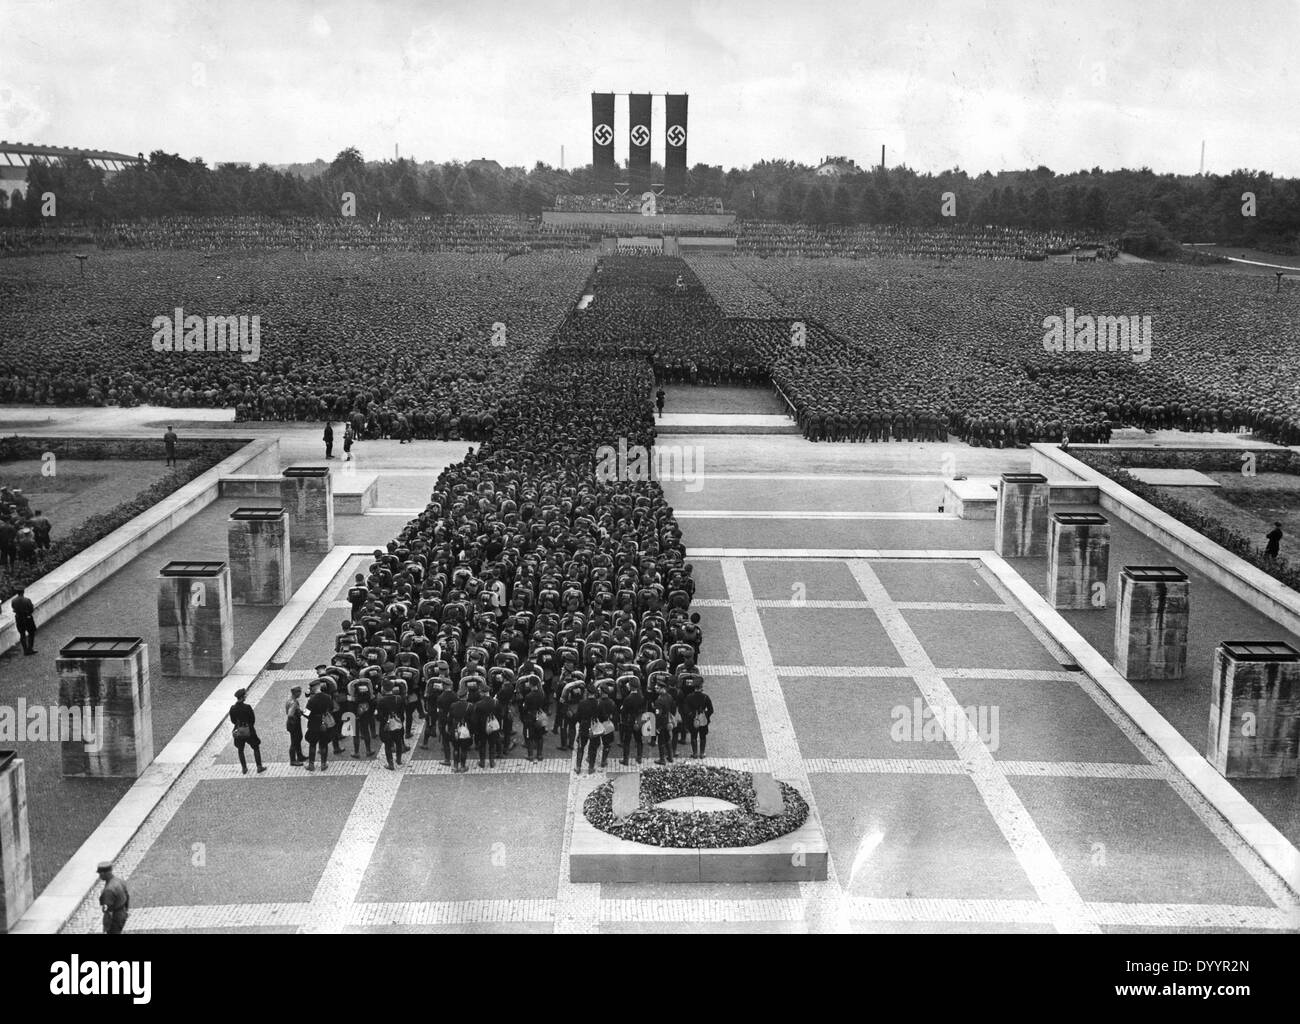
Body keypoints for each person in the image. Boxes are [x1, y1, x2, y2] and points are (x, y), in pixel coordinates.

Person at [228, 688, 266, 774]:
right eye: (245, 695)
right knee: (256, 747)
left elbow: (233, 721)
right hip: (249, 731)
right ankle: (259, 766)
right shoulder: (247, 707)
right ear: (243, 697)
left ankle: (244, 768)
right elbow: (252, 720)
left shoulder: (233, 708)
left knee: (240, 750)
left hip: (238, 731)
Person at [304, 679, 334, 772]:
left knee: (312, 745)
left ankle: (311, 764)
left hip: (313, 724)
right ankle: (323, 764)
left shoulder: (311, 700)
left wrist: (303, 712)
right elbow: (332, 708)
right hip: (324, 723)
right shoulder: (327, 697)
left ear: (313, 689)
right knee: (324, 744)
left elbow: (306, 713)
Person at [377, 682, 405, 770]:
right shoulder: (398, 698)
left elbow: (379, 716)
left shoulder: (381, 701)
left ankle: (390, 764)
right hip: (397, 724)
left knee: (388, 745)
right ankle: (399, 759)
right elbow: (402, 712)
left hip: (386, 726)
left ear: (383, 689)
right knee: (399, 742)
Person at [97, 861, 130, 935]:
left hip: (115, 918)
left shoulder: (108, 890)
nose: (100, 876)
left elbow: (108, 911)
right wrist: (126, 910)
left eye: (100, 873)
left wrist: (106, 926)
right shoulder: (119, 881)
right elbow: (127, 896)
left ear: (105, 873)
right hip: (122, 913)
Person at [11, 588, 37, 656]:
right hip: (27, 618)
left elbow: (14, 609)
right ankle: (30, 648)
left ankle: (25, 650)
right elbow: (31, 609)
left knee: (22, 634)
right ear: (23, 592)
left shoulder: (13, 601)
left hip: (19, 619)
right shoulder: (27, 600)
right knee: (31, 633)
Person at [284, 686, 305, 766]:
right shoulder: (293, 703)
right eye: (299, 692)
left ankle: (300, 756)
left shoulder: (290, 700)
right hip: (294, 724)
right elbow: (290, 714)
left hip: (292, 723)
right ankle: (293, 760)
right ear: (295, 692)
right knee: (294, 741)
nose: (300, 693)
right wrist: (294, 720)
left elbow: (299, 711)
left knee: (298, 739)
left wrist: (306, 713)